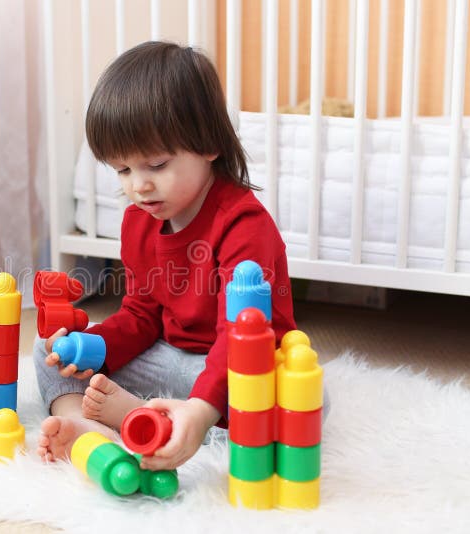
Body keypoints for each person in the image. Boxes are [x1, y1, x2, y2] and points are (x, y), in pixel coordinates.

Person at [34, 41, 297, 471]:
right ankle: (87, 424)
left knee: (297, 401)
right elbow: (141, 314)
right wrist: (94, 347)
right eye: (123, 170)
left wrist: (202, 406)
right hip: (172, 358)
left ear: (209, 144)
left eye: (156, 165)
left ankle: (160, 418)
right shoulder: (138, 221)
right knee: (49, 351)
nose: (138, 186)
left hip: (243, 364)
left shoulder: (244, 225)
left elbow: (240, 335)